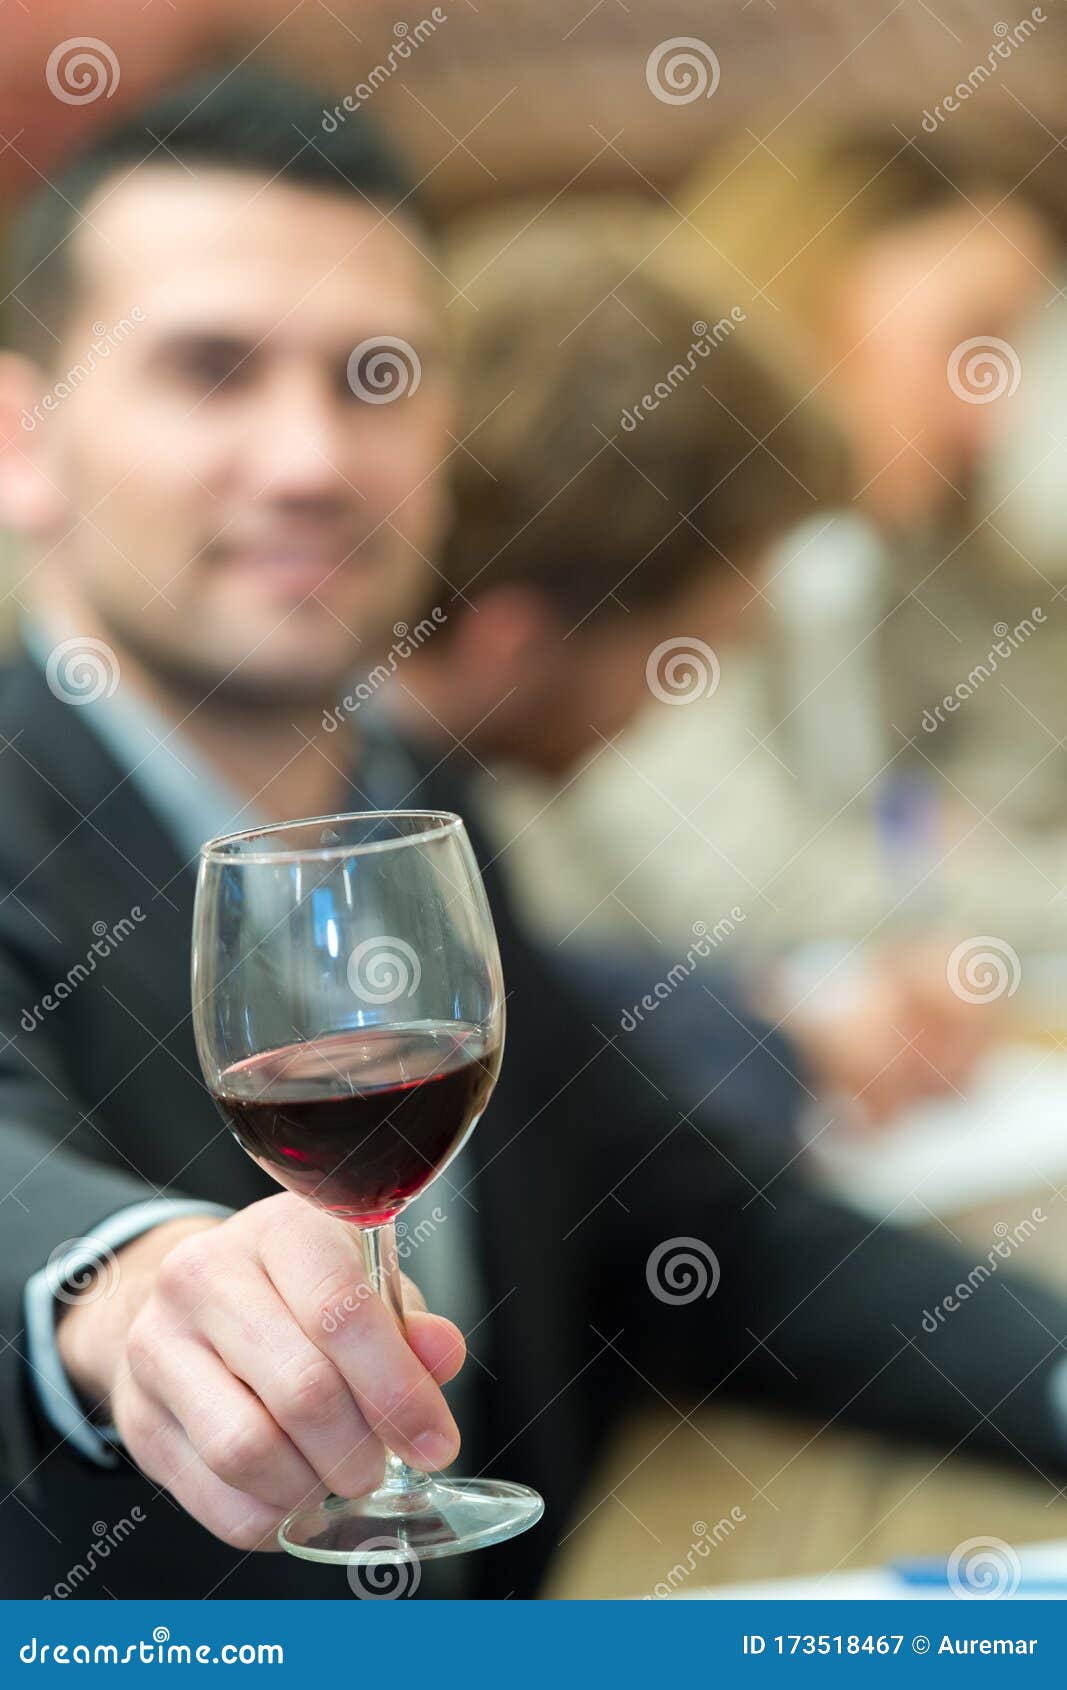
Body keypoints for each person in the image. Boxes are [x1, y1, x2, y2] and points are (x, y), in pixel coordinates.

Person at [3, 71, 1067, 1604]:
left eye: (374, 376)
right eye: (211, 368)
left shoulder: (420, 821)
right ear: (24, 440)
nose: (308, 456)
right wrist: (129, 1282)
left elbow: (708, 1229)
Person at [384, 206, 991, 1130]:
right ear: (511, 643)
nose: (678, 701)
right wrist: (775, 1043)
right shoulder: (375, 844)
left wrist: (772, 1022)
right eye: (688, 657)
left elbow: (565, 989)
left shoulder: (423, 786)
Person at [484, 131, 1067, 971]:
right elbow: (744, 894)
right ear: (798, 310)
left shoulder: (883, 554)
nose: (991, 411)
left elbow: (1025, 764)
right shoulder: (657, 555)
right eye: (968, 342)